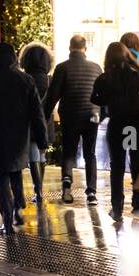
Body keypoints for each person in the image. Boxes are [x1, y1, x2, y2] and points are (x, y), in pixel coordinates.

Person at [0, 42, 47, 236]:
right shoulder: (26, 79)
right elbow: (37, 113)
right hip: (20, 135)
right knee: (16, 170)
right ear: (13, 57)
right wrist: (42, 140)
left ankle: (7, 220)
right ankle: (19, 206)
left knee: (1, 177)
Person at [91, 42, 139, 220]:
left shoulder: (105, 78)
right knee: (136, 163)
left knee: (117, 166)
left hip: (118, 124)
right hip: (136, 124)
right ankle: (138, 205)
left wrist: (110, 99)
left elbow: (95, 98)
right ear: (127, 55)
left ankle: (117, 208)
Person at [45, 34, 104, 205]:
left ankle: (67, 185)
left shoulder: (62, 68)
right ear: (85, 49)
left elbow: (53, 96)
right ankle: (91, 193)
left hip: (70, 116)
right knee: (90, 153)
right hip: (92, 115)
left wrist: (45, 114)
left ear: (70, 48)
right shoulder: (96, 68)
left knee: (69, 151)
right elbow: (101, 94)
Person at [19, 42, 54, 201]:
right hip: (45, 121)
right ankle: (39, 189)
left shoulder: (24, 79)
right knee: (41, 154)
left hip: (28, 121)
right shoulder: (49, 79)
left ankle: (37, 190)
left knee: (32, 154)